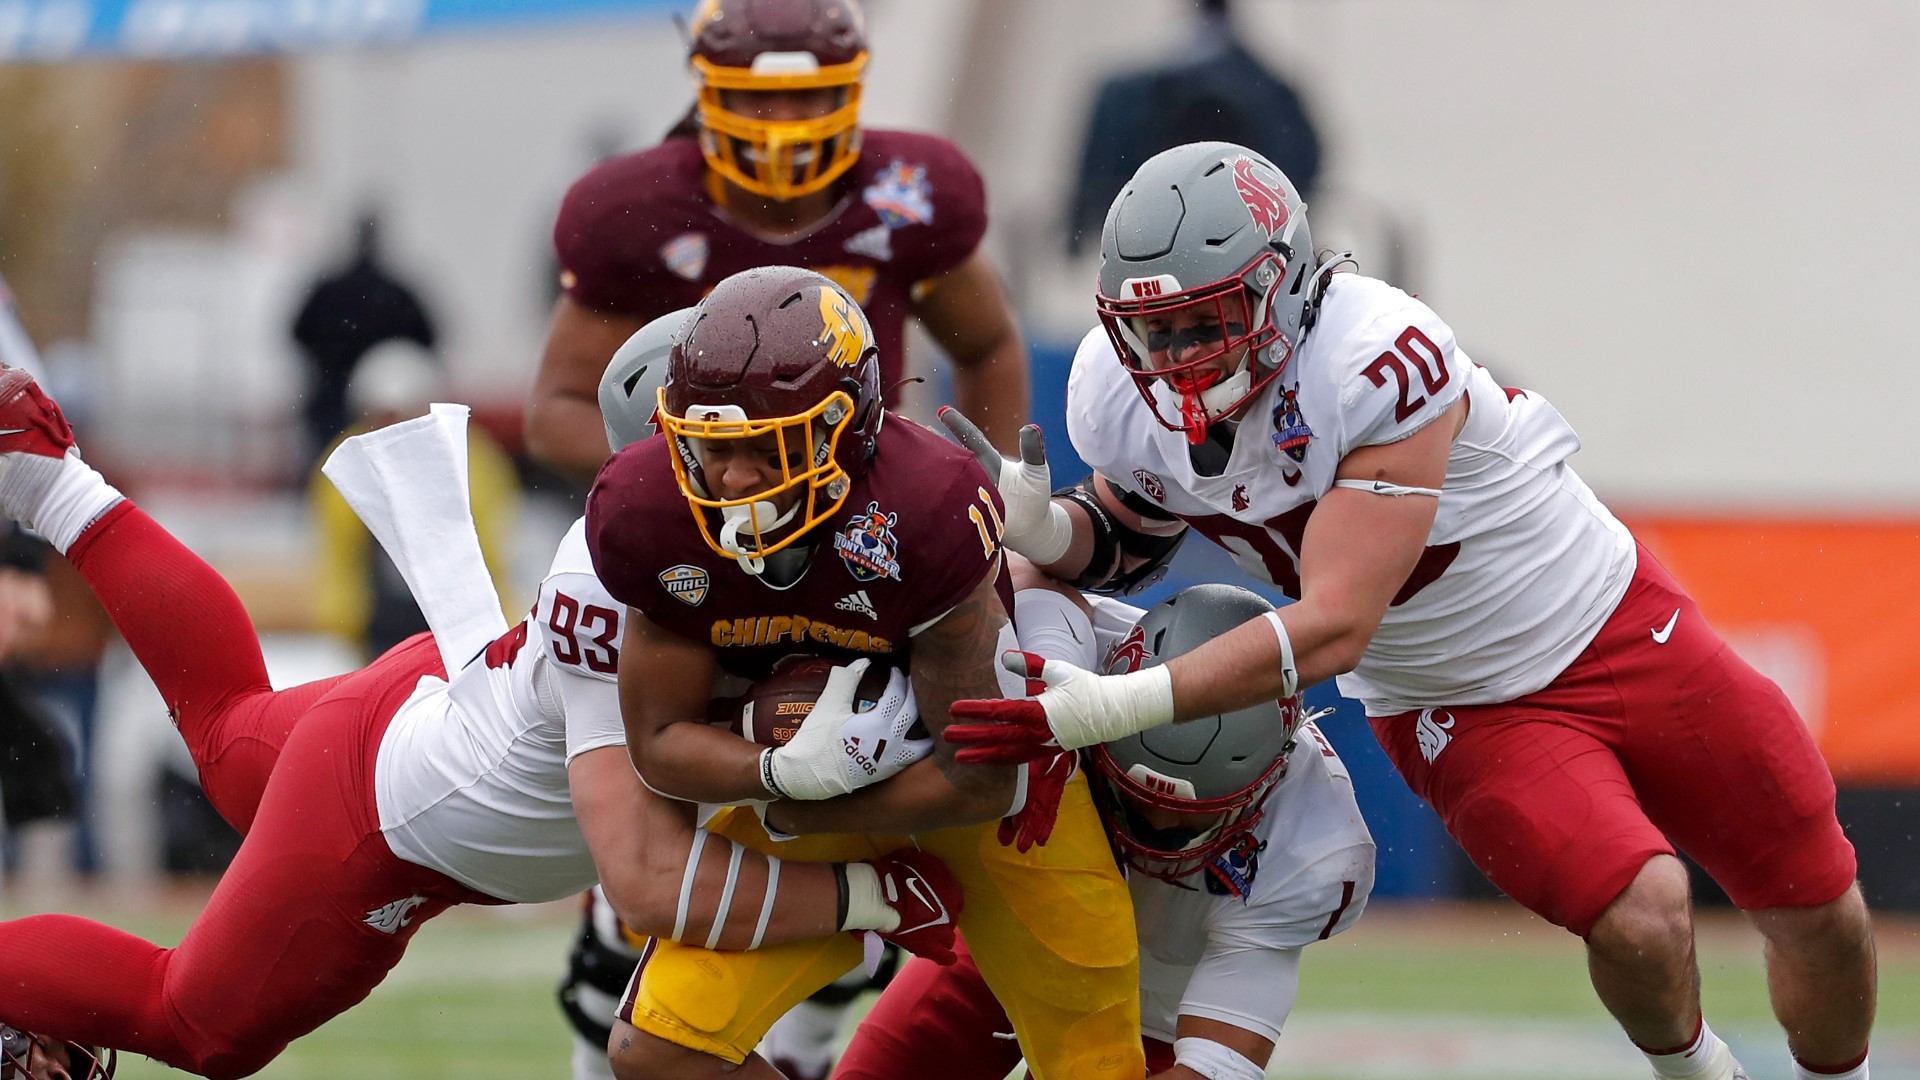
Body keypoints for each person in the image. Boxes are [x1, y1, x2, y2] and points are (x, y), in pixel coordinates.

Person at [940, 141, 1877, 1080]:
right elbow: (1127, 538)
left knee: (1820, 907)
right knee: (1644, 913)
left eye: (1210, 320)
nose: (1180, 360)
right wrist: (1047, 528)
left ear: (1284, 286)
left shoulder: (1375, 354)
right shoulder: (1115, 389)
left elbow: (1337, 624)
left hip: (1615, 619)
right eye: (1159, 332)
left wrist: (1108, 704)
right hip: (1455, 702)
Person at [0, 353, 963, 1080]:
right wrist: (877, 897)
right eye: (724, 457)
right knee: (202, 1025)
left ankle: (46, 478)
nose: (751, 481)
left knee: (228, 734)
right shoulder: (630, 585)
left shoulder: (864, 518)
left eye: (769, 449)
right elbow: (644, 880)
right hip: (390, 818)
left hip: (433, 699)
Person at [584, 265, 1143, 1080]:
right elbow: (660, 740)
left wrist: (807, 801)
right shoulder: (650, 514)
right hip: (809, 777)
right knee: (662, 1047)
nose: (730, 483)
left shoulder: (924, 510)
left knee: (1097, 1065)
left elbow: (983, 781)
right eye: (711, 450)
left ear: (839, 430)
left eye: (760, 453)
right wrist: (777, 769)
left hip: (980, 797)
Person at [838, 581, 1375, 1080]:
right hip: (1018, 939)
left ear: (1269, 778)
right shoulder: (1093, 649)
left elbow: (1214, 1067)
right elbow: (1026, 578)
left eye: (1192, 816)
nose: (1157, 827)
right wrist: (1050, 710)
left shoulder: (1317, 848)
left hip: (1154, 1010)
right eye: (1133, 802)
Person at [526, 0, 1031, 486]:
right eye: (758, 96)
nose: (783, 124)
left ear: (849, 89)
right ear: (707, 92)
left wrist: (991, 489)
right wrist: (689, 477)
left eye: (807, 94)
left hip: (860, 495)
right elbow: (559, 410)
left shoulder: (909, 195)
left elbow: (987, 348)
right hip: (697, 506)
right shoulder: (638, 212)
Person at [308, 340, 521, 659]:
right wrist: (345, 625)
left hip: (458, 628)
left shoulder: (471, 461)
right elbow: (340, 559)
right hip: (378, 629)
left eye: (402, 418)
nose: (391, 430)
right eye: (382, 418)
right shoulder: (346, 463)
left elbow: (490, 550)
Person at [1064, 0, 1322, 256]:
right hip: (1242, 233)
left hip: (1156, 227)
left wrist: (1079, 224)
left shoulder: (1126, 93)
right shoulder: (1273, 94)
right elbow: (1305, 158)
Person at [289, 210, 438, 465]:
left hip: (331, 398)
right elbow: (428, 339)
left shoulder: (329, 291)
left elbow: (297, 332)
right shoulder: (396, 292)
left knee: (332, 467)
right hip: (379, 407)